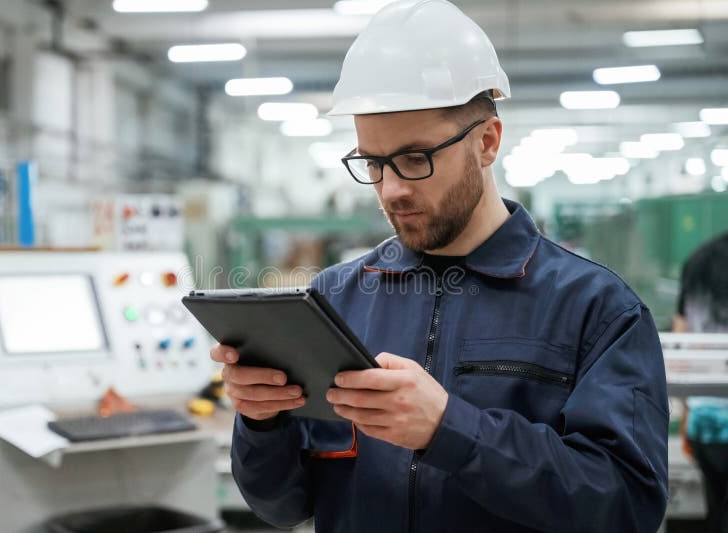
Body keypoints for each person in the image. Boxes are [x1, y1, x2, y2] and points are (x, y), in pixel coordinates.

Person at [210, 1, 669, 531]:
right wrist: (261, 422)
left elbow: (627, 506)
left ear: (487, 142)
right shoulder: (335, 299)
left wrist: (451, 430)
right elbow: (284, 506)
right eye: (373, 163)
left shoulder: (595, 309)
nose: (392, 189)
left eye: (414, 158)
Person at [673, 232, 728, 533]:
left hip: (705, 421)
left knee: (716, 505)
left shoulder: (699, 260)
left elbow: (681, 343)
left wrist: (687, 413)